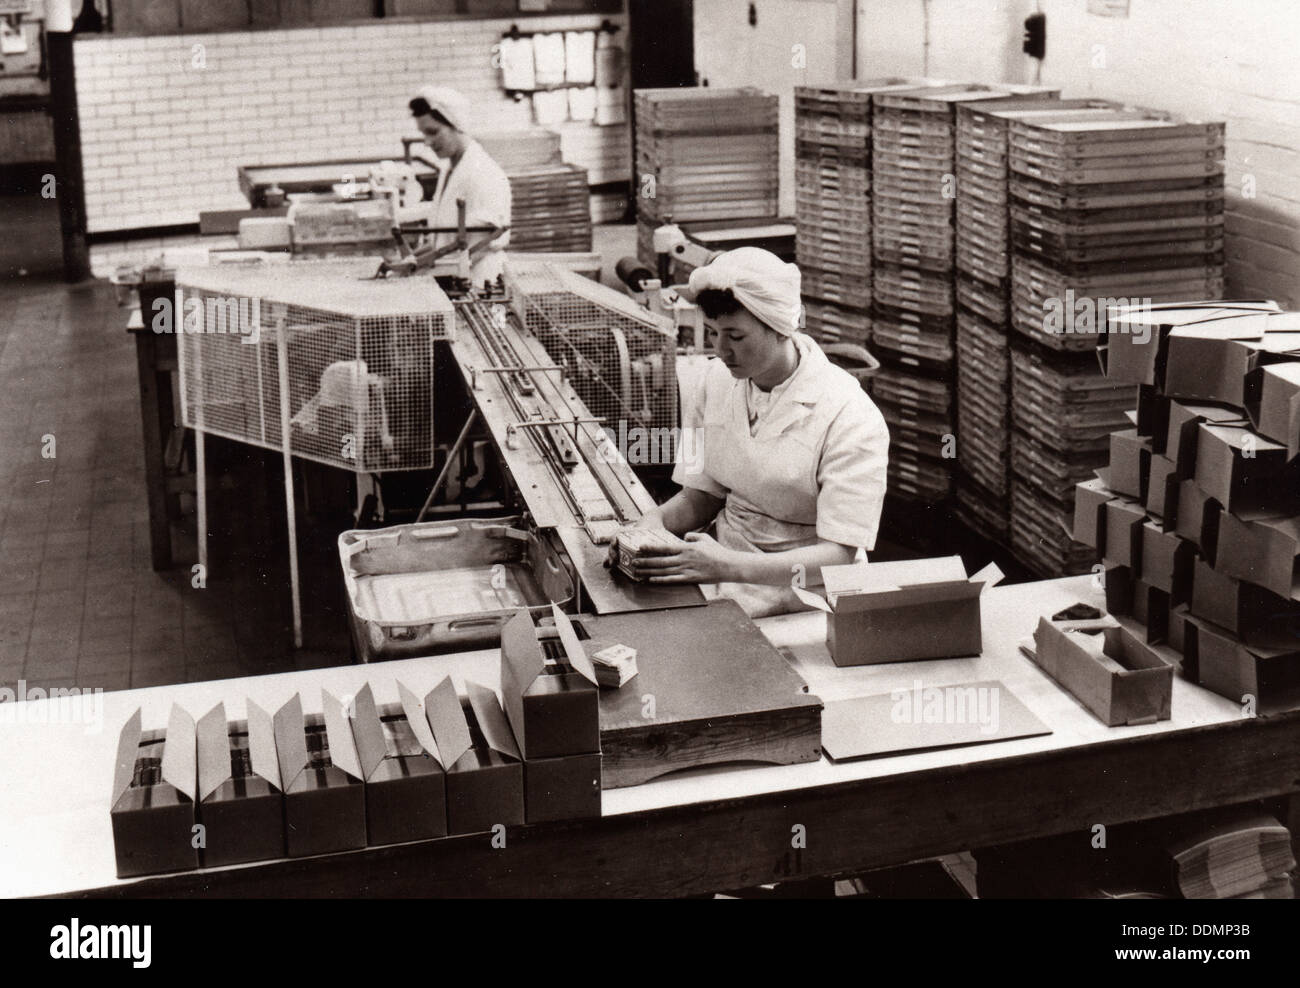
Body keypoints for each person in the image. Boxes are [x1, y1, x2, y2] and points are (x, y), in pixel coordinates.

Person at [620, 247, 890, 618]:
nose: (721, 350)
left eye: (736, 336)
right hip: (722, 563)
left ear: (780, 328)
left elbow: (839, 556)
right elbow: (701, 496)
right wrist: (654, 523)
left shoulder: (850, 415)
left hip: (807, 591)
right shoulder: (713, 381)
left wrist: (726, 565)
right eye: (713, 333)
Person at [407, 85, 511, 285]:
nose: (427, 142)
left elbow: (482, 244)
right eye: (423, 133)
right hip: (452, 278)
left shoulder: (484, 174)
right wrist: (413, 258)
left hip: (479, 283)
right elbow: (444, 239)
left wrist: (425, 264)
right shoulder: (450, 169)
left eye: (433, 132)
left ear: (457, 124)